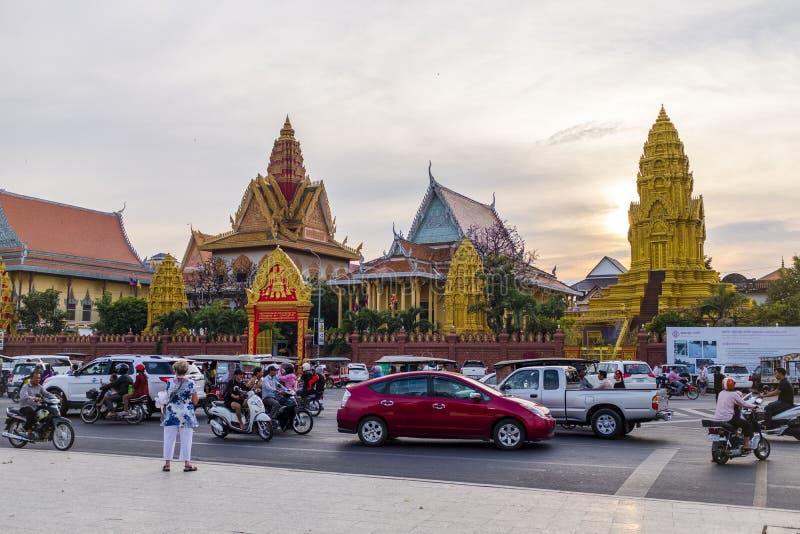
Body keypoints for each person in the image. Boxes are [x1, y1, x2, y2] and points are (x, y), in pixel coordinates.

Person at [161, 359, 199, 472]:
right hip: (186, 414)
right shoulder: (191, 383)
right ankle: (187, 464)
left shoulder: (169, 382)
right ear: (186, 370)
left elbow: (167, 396)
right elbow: (195, 401)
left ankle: (167, 464)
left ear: (175, 370)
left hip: (171, 413)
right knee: (186, 439)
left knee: (168, 438)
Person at [714, 377, 756, 450]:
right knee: (747, 425)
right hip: (728, 418)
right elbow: (743, 403)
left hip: (717, 418)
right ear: (732, 385)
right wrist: (754, 406)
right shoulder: (733, 394)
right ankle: (746, 445)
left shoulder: (721, 393)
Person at [18, 371, 56, 437]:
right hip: (25, 406)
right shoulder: (26, 386)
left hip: (36, 406)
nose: (38, 379)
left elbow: (46, 394)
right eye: (36, 378)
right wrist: (34, 398)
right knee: (31, 412)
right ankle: (27, 431)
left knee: (48, 411)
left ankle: (43, 429)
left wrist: (55, 396)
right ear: (31, 378)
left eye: (39, 378)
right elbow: (24, 396)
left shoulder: (39, 386)